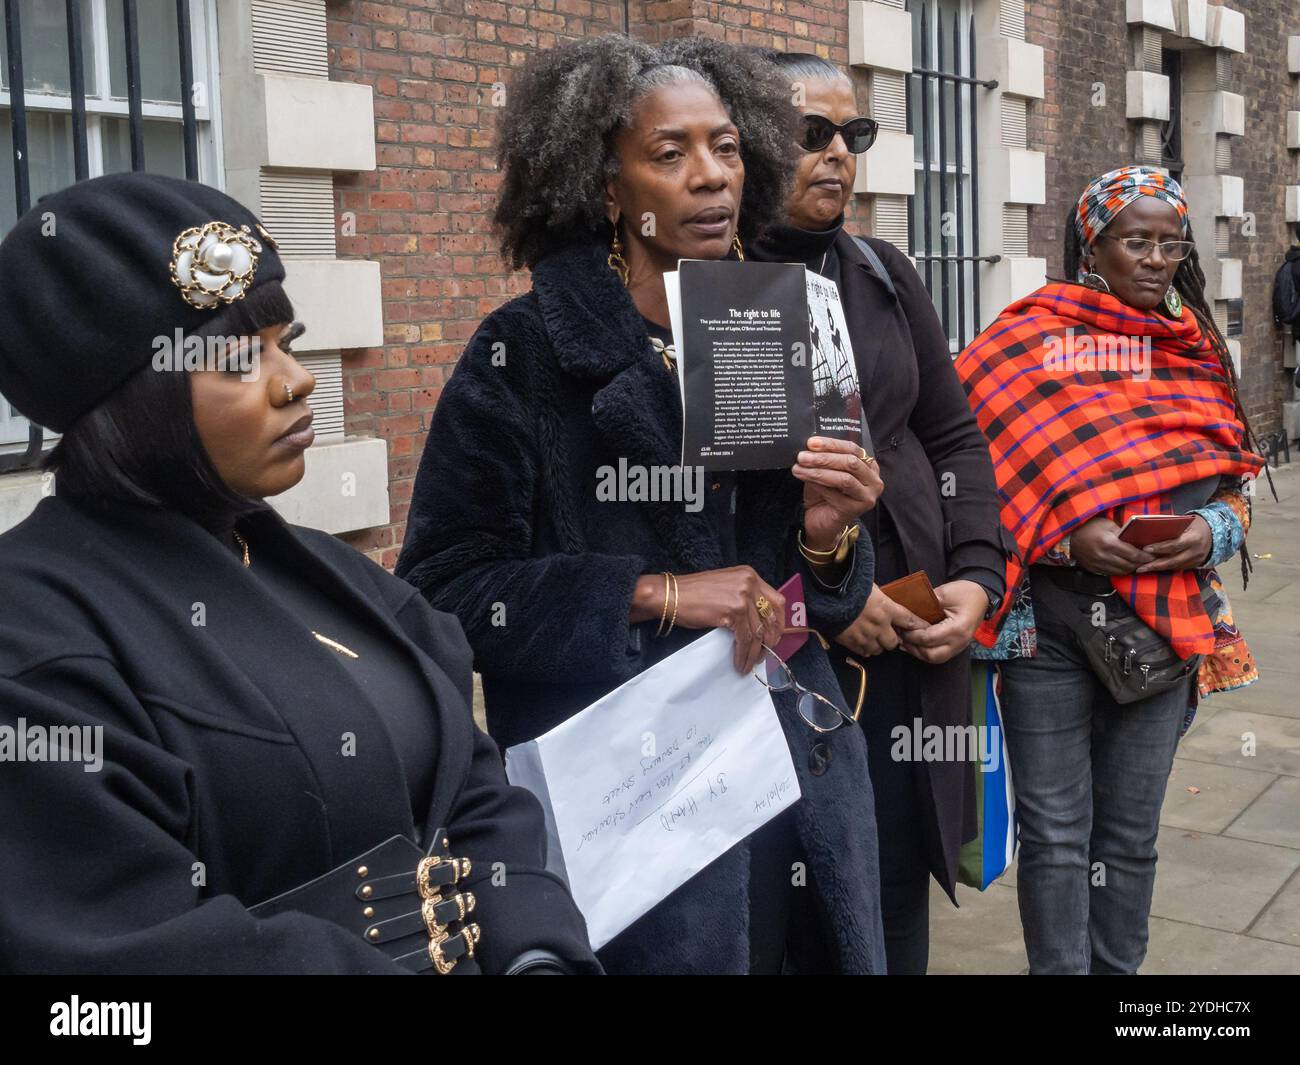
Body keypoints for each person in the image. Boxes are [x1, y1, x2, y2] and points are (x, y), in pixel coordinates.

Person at [0, 172, 599, 975]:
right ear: (133, 402)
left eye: (289, 340)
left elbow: (475, 794)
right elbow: (114, 956)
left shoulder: (331, 573)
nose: (298, 379)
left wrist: (537, 954)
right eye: (243, 358)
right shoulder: (33, 632)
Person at [396, 36, 888, 974]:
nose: (712, 178)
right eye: (671, 155)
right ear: (606, 187)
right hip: (642, 823)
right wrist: (656, 591)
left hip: (796, 782)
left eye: (730, 147)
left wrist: (828, 542)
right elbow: (444, 591)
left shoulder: (775, 323)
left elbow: (801, 590)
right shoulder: (522, 356)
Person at [955, 166, 1266, 975]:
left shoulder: (1195, 346)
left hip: (1161, 627)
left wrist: (1208, 531)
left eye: (1171, 242)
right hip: (1048, 626)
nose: (1157, 258)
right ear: (1093, 245)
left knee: (1129, 835)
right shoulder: (1026, 337)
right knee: (1056, 831)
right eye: (1138, 239)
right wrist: (1066, 540)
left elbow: (1234, 483)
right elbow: (968, 472)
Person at [747, 51, 1007, 974]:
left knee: (895, 896)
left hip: (912, 649)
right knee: (799, 903)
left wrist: (979, 576)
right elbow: (710, 507)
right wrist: (828, 601)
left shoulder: (884, 271)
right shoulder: (712, 292)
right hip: (789, 666)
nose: (837, 156)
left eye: (851, 136)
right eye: (809, 134)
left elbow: (955, 438)